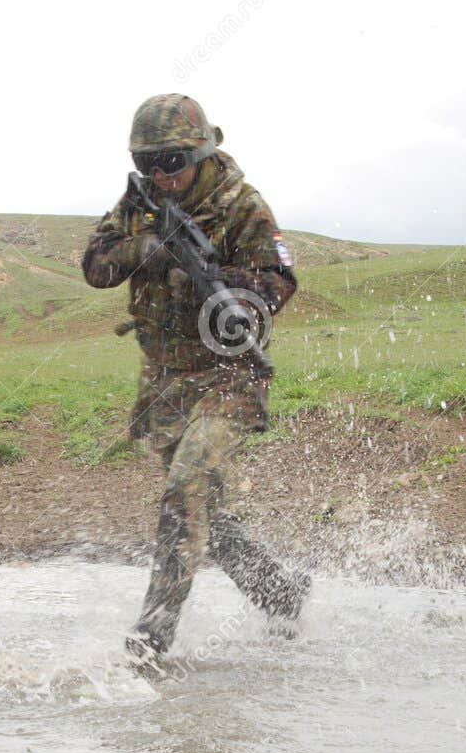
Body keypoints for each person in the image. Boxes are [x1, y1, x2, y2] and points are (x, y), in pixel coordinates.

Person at [82, 94, 310, 667]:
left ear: (204, 151)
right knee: (197, 504)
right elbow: (96, 266)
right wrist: (151, 251)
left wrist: (221, 286)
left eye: (173, 161)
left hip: (229, 375)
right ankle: (277, 591)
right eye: (148, 163)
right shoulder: (141, 204)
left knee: (186, 486)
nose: (162, 175)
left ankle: (151, 638)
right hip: (164, 381)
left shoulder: (241, 205)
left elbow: (278, 282)